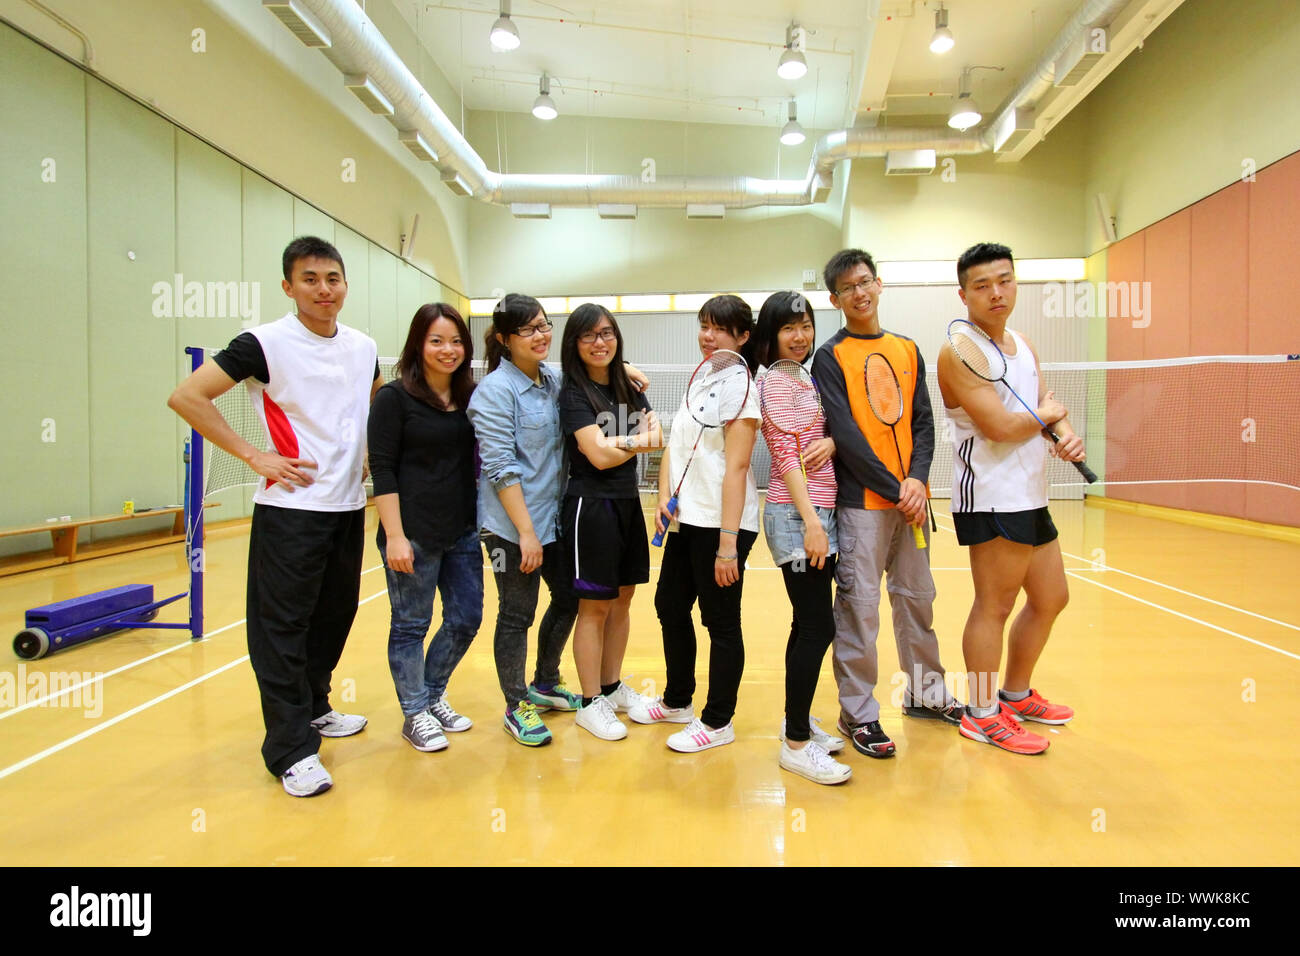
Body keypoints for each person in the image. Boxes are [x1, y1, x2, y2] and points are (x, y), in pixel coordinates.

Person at [167, 236, 380, 797]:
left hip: (347, 509)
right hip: (290, 511)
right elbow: (188, 396)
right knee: (280, 629)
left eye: (332, 278)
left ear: (345, 285)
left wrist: (366, 463)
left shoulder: (363, 347)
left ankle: (314, 707)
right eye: (309, 279)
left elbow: (373, 409)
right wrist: (254, 456)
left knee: (332, 618)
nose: (323, 288)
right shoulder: (263, 343)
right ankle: (289, 749)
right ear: (288, 287)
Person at [812, 248, 962, 761]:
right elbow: (846, 435)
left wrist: (918, 481)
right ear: (836, 299)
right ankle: (858, 713)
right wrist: (898, 488)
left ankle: (927, 694)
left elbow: (923, 421)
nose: (860, 292)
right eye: (848, 288)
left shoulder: (907, 349)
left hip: (912, 503)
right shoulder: (829, 357)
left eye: (866, 282)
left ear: (879, 284)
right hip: (864, 505)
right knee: (860, 612)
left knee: (917, 600)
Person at [937, 242, 1083, 755]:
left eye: (1004, 280)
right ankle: (980, 713)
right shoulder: (958, 353)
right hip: (992, 495)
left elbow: (1042, 407)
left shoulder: (1023, 344)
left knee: (1051, 598)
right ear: (964, 295)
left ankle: (1015, 694)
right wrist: (1049, 417)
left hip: (1031, 491)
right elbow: (999, 427)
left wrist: (1063, 432)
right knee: (994, 605)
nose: (996, 293)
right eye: (982, 285)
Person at [629, 295, 761, 754]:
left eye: (720, 329)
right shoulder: (705, 375)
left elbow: (739, 467)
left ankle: (719, 720)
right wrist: (664, 496)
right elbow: (676, 447)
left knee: (721, 622)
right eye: (704, 326)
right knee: (669, 605)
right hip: (688, 519)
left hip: (721, 525)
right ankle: (678, 700)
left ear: (743, 337)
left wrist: (728, 546)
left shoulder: (740, 385)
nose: (708, 336)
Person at [467, 294, 583, 747]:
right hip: (508, 530)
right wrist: (526, 534)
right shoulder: (495, 392)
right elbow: (500, 468)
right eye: (529, 330)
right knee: (516, 614)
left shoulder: (553, 379)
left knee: (570, 597)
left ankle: (546, 679)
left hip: (552, 520)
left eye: (544, 325)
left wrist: (627, 370)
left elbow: (584, 379)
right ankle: (517, 705)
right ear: (503, 339)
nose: (541, 335)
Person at [367, 303, 482, 754]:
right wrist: (394, 535)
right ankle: (415, 711)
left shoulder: (471, 395)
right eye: (436, 340)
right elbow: (382, 468)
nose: (447, 349)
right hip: (411, 532)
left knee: (466, 618)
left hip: (462, 529)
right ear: (418, 344)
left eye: (455, 341)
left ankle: (433, 694)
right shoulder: (394, 399)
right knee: (412, 624)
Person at [749, 292, 852, 784]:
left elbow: (818, 440)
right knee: (817, 626)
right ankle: (794, 744)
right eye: (789, 328)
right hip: (797, 515)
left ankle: (801, 718)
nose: (800, 336)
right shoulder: (774, 380)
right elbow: (786, 455)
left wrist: (832, 440)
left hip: (818, 512)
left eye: (806, 325)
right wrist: (811, 520)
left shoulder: (803, 378)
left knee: (807, 624)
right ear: (771, 335)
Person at [557, 304, 663, 741]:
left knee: (623, 601)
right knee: (594, 607)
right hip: (589, 507)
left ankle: (611, 686)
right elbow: (597, 457)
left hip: (627, 502)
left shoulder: (628, 386)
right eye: (588, 336)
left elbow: (658, 439)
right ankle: (589, 701)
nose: (599, 343)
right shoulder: (573, 393)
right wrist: (634, 441)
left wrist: (618, 442)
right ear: (575, 344)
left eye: (606, 334)